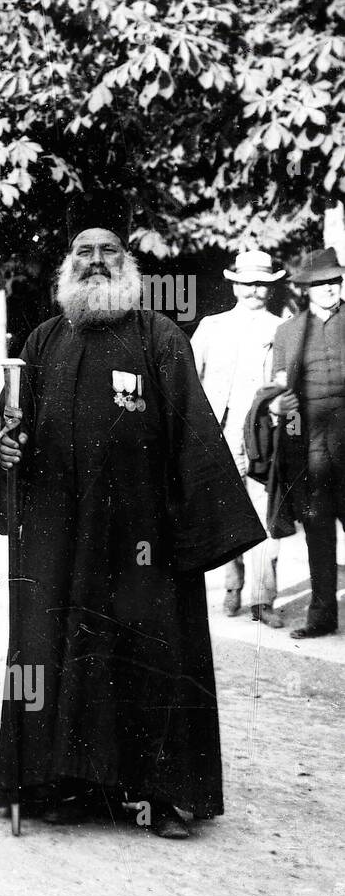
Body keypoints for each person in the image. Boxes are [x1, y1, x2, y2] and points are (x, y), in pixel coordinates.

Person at [0, 191, 265, 839]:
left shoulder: (160, 338)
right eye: (83, 251)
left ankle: (164, 796)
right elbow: (12, 439)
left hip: (147, 548)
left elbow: (197, 439)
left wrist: (195, 537)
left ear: (127, 262)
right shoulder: (40, 342)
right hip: (62, 544)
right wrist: (6, 456)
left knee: (153, 660)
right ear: (67, 263)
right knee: (56, 657)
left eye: (108, 250)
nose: (95, 261)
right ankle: (61, 781)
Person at [191, 250, 286, 628]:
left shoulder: (283, 328)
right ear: (234, 284)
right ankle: (232, 586)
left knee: (266, 514)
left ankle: (264, 599)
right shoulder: (212, 326)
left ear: (271, 287)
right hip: (220, 434)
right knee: (226, 511)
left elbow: (287, 384)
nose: (253, 290)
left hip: (264, 436)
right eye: (247, 283)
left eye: (261, 284)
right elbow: (189, 382)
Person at [267, 248, 345, 639]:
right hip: (311, 445)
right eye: (320, 283)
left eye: (334, 281)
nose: (329, 289)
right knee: (318, 531)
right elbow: (276, 388)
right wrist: (278, 405)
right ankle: (322, 616)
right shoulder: (288, 332)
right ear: (306, 288)